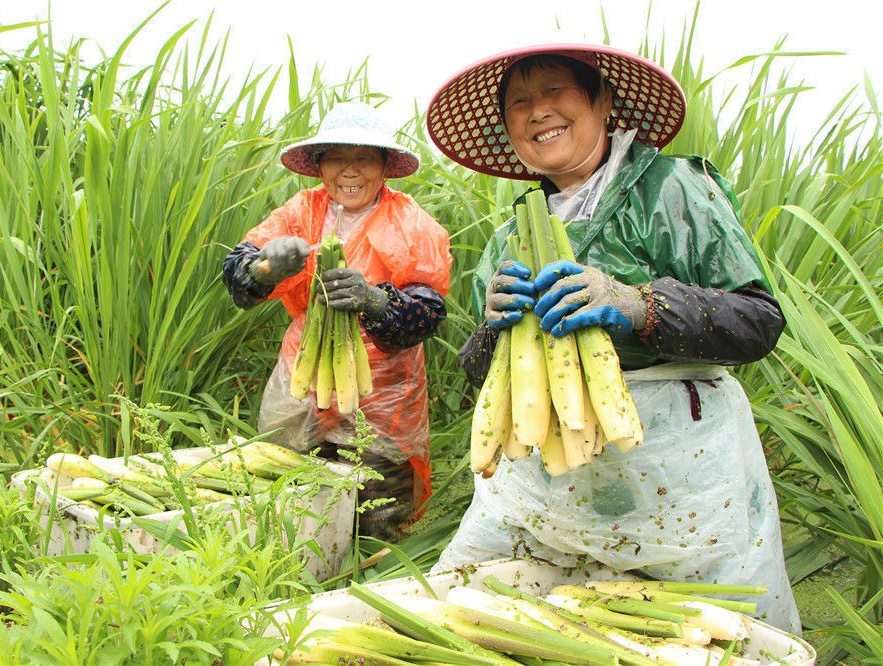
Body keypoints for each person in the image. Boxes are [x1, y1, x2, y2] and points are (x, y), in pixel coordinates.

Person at [424, 43, 801, 632]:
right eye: (520, 103)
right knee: (494, 615)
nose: (537, 112)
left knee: (705, 630)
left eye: (554, 92)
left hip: (680, 473)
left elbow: (758, 322)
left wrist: (633, 303)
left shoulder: (674, 190)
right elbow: (485, 382)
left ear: (602, 102)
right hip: (547, 481)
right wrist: (493, 331)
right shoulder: (508, 240)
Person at [222, 101, 453, 539]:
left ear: (384, 165)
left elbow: (427, 315)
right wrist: (265, 269)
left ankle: (376, 580)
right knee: (287, 500)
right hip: (304, 374)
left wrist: (375, 302)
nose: (350, 171)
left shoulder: (412, 224)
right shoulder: (300, 213)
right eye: (337, 157)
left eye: (364, 157)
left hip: (382, 394)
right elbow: (240, 276)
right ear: (319, 165)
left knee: (377, 510)